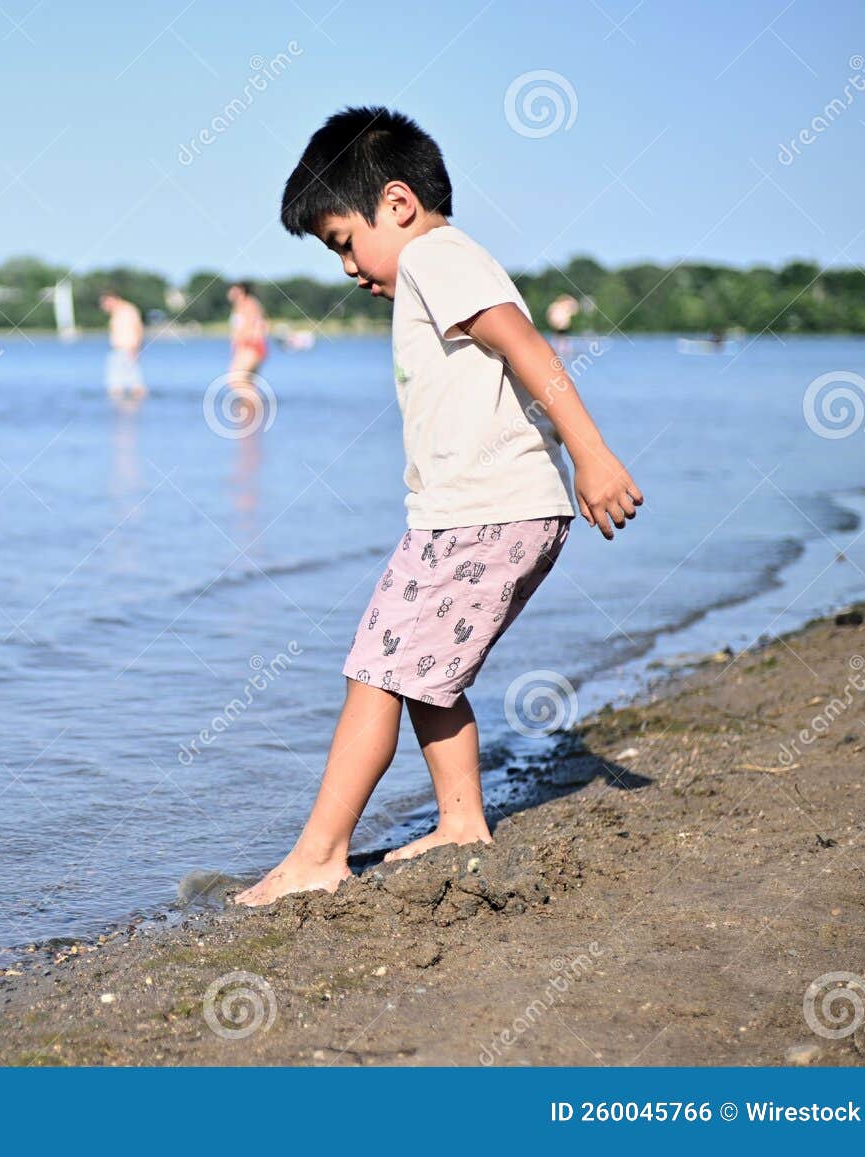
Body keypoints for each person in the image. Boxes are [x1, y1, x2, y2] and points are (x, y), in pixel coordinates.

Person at [235, 106, 644, 907]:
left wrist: (592, 453)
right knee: (423, 673)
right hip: (468, 513)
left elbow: (526, 346)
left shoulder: (435, 258)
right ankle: (460, 823)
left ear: (396, 203)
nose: (348, 269)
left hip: (486, 512)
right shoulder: (434, 265)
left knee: (377, 669)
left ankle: (319, 853)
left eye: (344, 243)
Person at [100, 290, 147, 402]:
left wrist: (136, 350)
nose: (103, 306)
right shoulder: (116, 312)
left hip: (128, 350)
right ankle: (119, 410)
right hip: (118, 351)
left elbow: (138, 329)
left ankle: (133, 411)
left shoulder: (128, 310)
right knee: (116, 386)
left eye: (104, 302)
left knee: (134, 385)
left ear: (112, 299)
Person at [225, 281, 268, 390]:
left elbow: (252, 325)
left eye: (232, 289)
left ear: (240, 290)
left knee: (235, 381)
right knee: (248, 383)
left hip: (250, 346)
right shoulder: (243, 305)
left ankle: (256, 406)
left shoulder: (248, 304)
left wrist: (241, 343)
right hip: (248, 347)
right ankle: (250, 407)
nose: (229, 293)